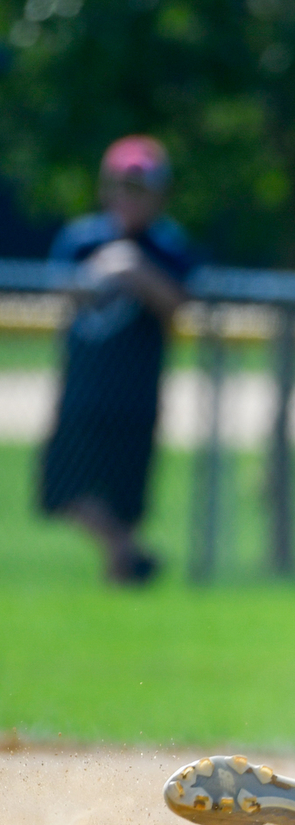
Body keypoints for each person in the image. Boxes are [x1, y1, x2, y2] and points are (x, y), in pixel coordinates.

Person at [38, 135, 194, 583]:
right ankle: (129, 553)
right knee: (60, 492)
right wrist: (101, 271)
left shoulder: (166, 245)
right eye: (121, 186)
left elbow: (179, 305)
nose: (129, 197)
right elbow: (57, 292)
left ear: (159, 194)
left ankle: (120, 582)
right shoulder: (82, 240)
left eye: (140, 188)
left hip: (136, 396)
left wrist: (136, 271)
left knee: (126, 504)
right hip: (82, 392)